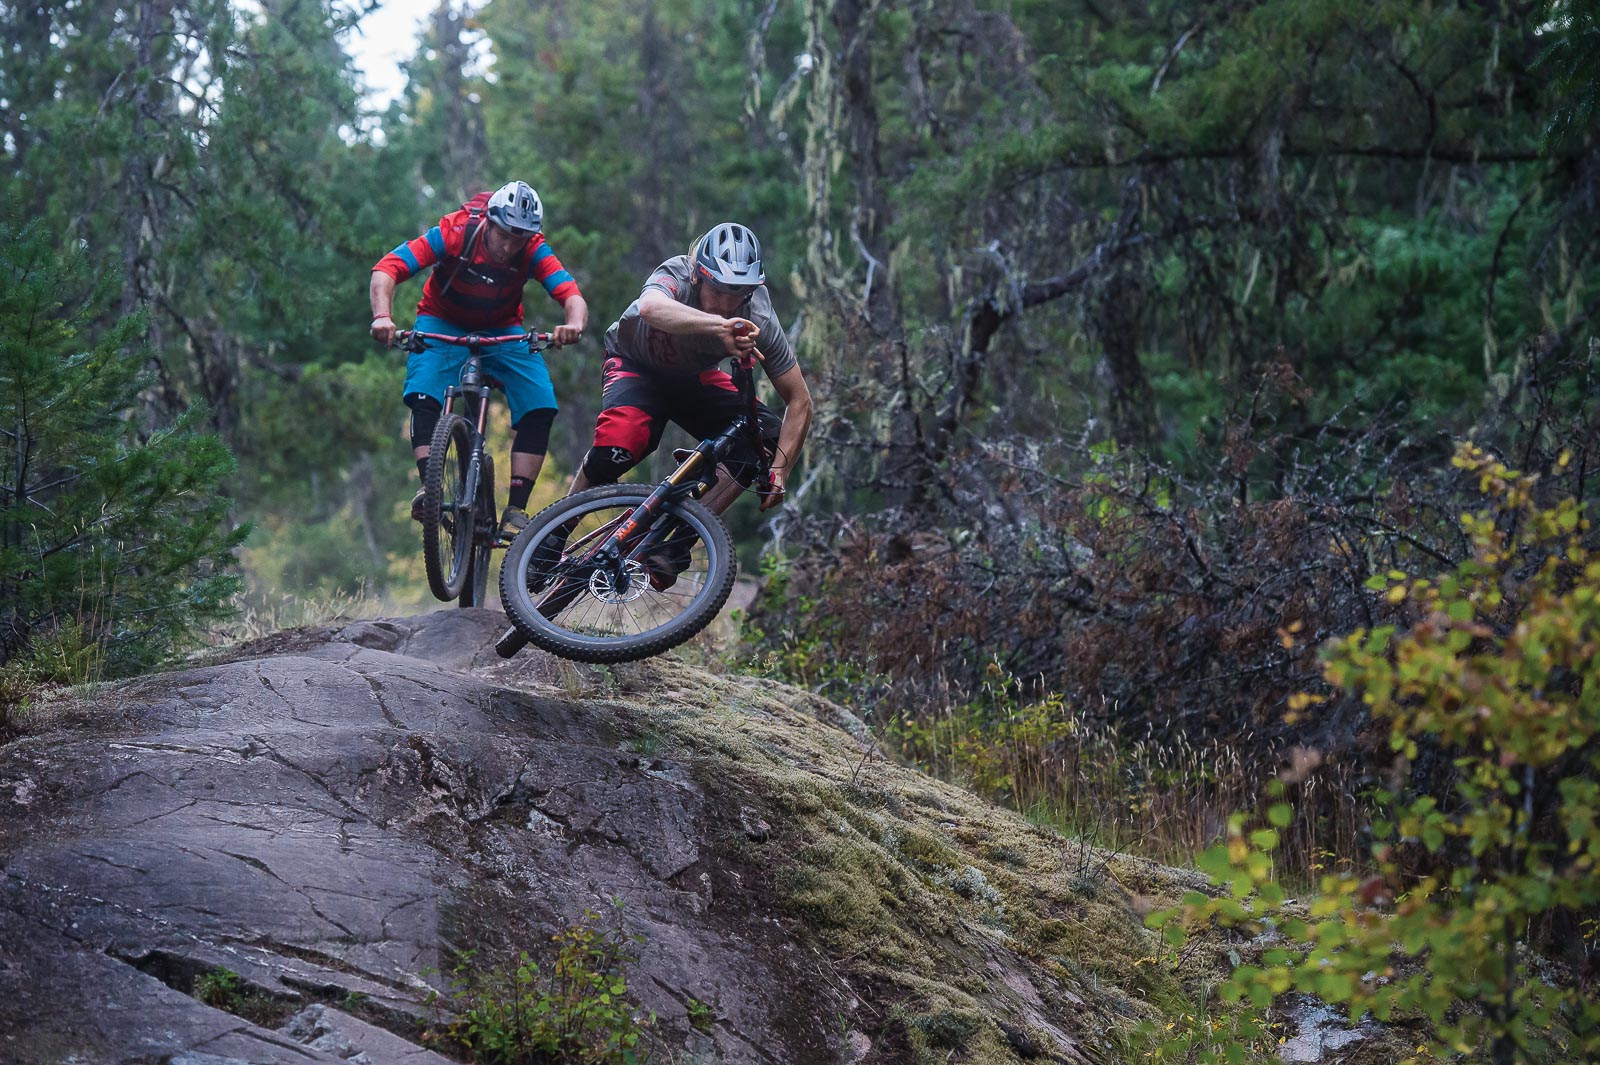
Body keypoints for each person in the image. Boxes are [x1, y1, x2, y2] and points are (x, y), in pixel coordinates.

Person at [568, 221, 812, 580]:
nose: (729, 303)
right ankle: (553, 531)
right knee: (618, 448)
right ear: (699, 275)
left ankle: (671, 546)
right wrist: (719, 326)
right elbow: (651, 308)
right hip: (635, 365)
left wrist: (779, 471)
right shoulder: (677, 272)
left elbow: (800, 400)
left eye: (740, 293)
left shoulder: (758, 315)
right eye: (720, 291)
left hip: (693, 378)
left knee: (762, 441)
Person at [369, 180, 588, 541]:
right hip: (442, 322)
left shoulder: (532, 249)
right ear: (489, 220)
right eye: (504, 234)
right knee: (424, 393)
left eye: (519, 238)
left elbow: (571, 294)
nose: (509, 245)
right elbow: (388, 269)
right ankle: (431, 490)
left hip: (503, 330)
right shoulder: (455, 231)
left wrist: (573, 325)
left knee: (540, 405)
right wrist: (382, 317)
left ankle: (516, 510)